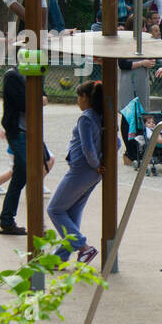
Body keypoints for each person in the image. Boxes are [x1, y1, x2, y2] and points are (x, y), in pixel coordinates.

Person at [47, 81, 114, 264]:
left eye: (79, 97)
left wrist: (96, 163)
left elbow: (87, 148)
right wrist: (102, 163)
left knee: (54, 209)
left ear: (85, 97)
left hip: (81, 171)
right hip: (93, 174)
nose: (77, 101)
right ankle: (59, 259)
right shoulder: (104, 116)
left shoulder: (86, 118)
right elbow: (116, 143)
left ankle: (84, 247)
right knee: (72, 212)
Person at [0, 63, 31, 236]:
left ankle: (7, 220)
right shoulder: (13, 76)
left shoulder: (34, 73)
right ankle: (7, 220)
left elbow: (43, 97)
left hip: (30, 130)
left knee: (22, 174)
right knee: (25, 172)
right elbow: (23, 103)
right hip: (17, 131)